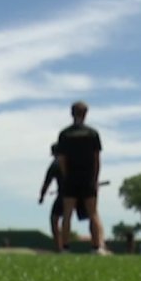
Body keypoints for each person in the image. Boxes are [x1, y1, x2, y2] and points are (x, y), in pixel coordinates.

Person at [55, 101, 109, 254]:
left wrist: (66, 177)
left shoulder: (64, 134)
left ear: (72, 113)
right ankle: (97, 247)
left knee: (67, 214)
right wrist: (95, 178)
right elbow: (97, 159)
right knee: (93, 213)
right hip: (88, 179)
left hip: (70, 179)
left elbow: (62, 159)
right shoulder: (93, 133)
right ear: (86, 114)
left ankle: (65, 248)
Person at [39, 144, 88, 252]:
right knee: (92, 218)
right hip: (79, 194)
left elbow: (46, 183)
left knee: (54, 219)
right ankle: (98, 245)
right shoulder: (74, 162)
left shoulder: (54, 165)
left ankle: (60, 247)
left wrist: (42, 197)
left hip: (63, 194)